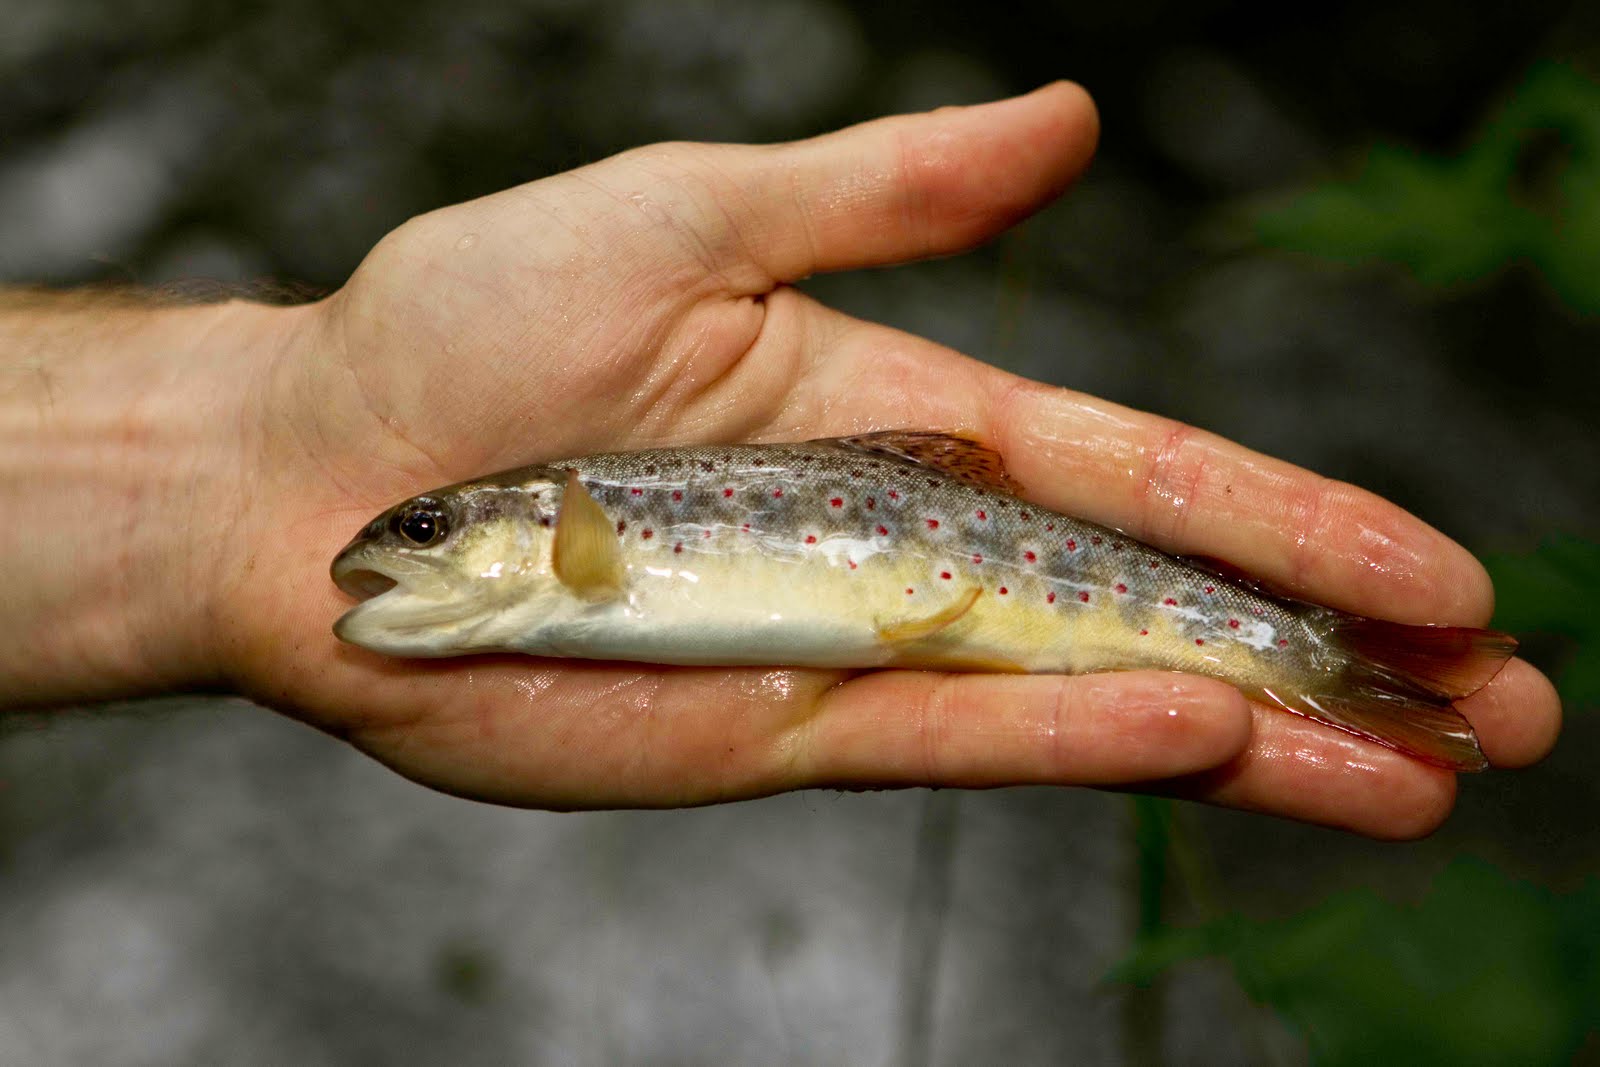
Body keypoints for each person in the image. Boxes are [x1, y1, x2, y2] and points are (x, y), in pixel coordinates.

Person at [0, 83, 1559, 837]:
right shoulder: (546, 559)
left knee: (1201, 663)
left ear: (544, 531)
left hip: (931, 558)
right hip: (910, 558)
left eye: (424, 528)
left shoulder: (582, 531)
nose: (386, 551)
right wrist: (227, 472)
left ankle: (1310, 654)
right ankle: (1318, 657)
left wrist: (219, 458)